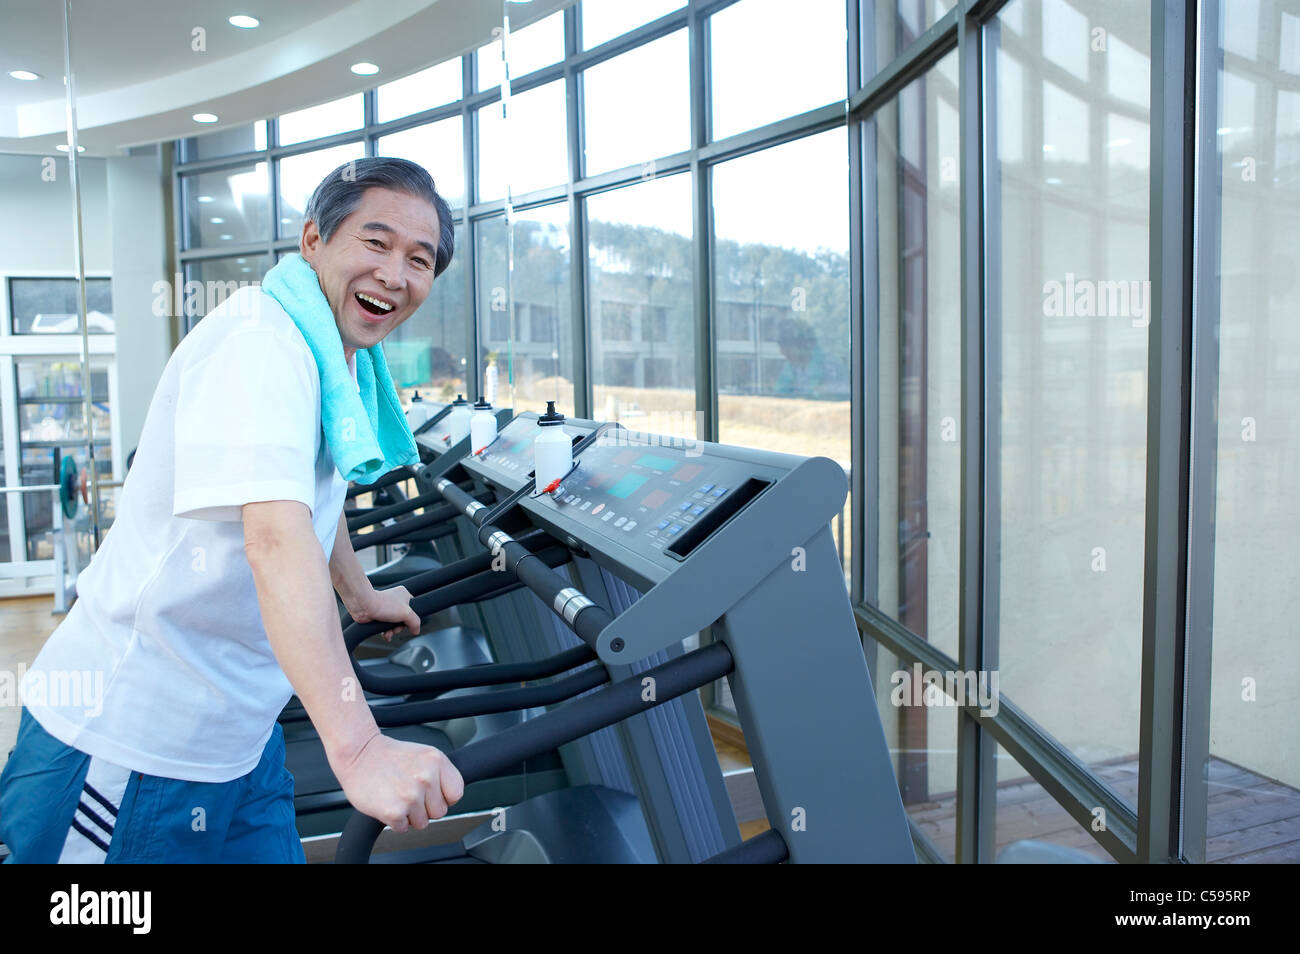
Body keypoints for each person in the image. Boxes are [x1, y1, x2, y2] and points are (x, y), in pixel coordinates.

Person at [0, 157, 464, 863]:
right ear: (314, 240)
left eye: (418, 259)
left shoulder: (335, 358)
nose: (394, 275)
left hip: (241, 737)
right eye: (375, 243)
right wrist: (359, 744)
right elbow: (275, 538)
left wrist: (358, 590)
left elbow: (314, 491)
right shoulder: (261, 341)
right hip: (134, 738)